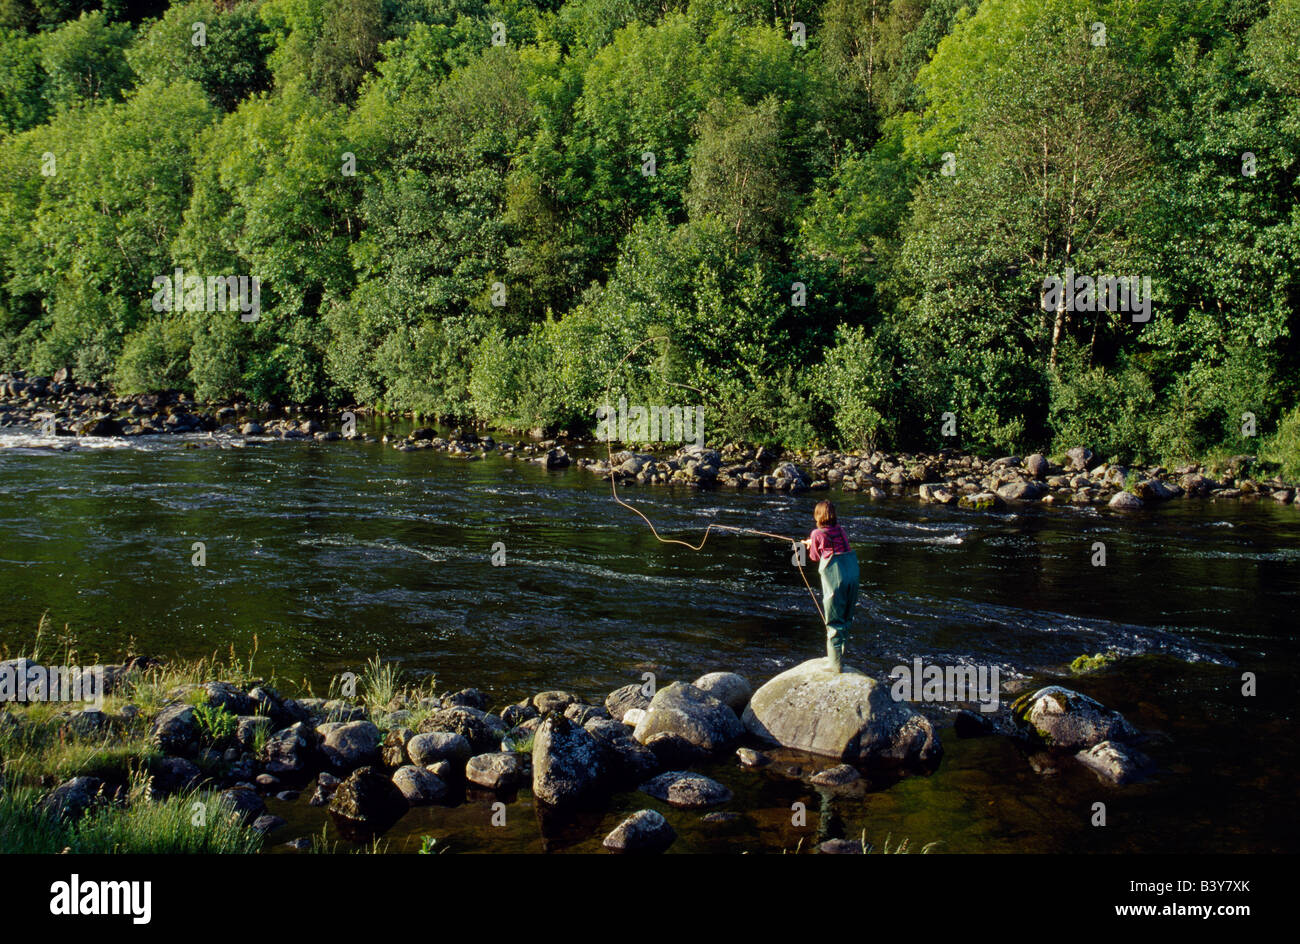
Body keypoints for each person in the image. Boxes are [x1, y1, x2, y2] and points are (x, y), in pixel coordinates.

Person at [802, 500, 859, 673]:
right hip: (852, 574)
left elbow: (814, 557)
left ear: (818, 515)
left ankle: (834, 665)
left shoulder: (816, 533)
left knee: (834, 620)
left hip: (835, 577)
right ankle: (839, 656)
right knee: (846, 617)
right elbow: (844, 548)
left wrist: (809, 544)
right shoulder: (840, 530)